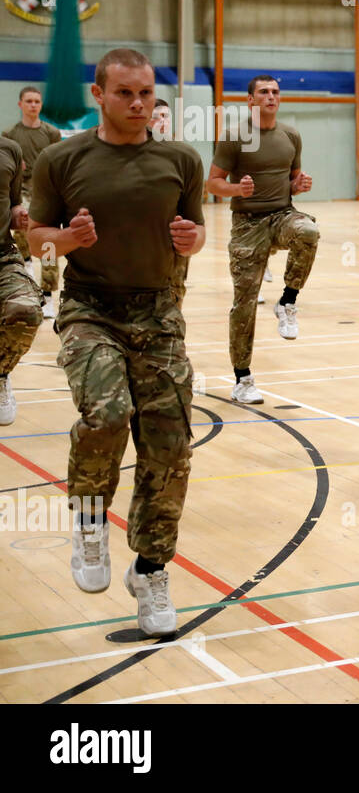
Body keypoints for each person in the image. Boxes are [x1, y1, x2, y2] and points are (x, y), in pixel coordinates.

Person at [29, 48, 206, 637]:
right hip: (90, 310)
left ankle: (151, 570)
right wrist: (67, 238)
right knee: (107, 414)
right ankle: (87, 521)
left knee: (171, 447)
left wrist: (191, 239)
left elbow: (195, 231)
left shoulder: (181, 159)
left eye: (147, 94)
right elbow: (36, 242)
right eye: (125, 93)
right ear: (98, 95)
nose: (138, 104)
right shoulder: (60, 159)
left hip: (158, 314)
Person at [205, 75, 319, 405]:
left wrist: (300, 184)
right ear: (250, 100)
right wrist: (236, 189)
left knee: (309, 232)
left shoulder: (290, 135)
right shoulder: (234, 136)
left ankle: (287, 301)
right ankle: (242, 378)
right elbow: (212, 183)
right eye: (264, 92)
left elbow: (294, 178)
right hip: (247, 225)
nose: (271, 96)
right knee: (244, 302)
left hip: (282, 214)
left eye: (275, 92)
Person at [3, 86, 60, 316]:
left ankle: (48, 295)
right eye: (29, 101)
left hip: (45, 193)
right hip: (21, 192)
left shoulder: (51, 133)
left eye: (37, 101)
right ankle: (25, 261)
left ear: (41, 105)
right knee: (19, 223)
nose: (33, 105)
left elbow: (57, 163)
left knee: (50, 242)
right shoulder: (9, 135)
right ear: (20, 105)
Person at [0, 124, 42, 426]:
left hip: (2, 255)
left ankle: (0, 375)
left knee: (26, 310)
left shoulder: (9, 149)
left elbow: (13, 203)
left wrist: (20, 216)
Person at [151, 99, 190, 307]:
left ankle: (174, 336)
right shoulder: (132, 152)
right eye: (156, 117)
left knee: (175, 290)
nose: (162, 121)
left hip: (175, 233)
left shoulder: (182, 154)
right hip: (144, 235)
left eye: (165, 116)